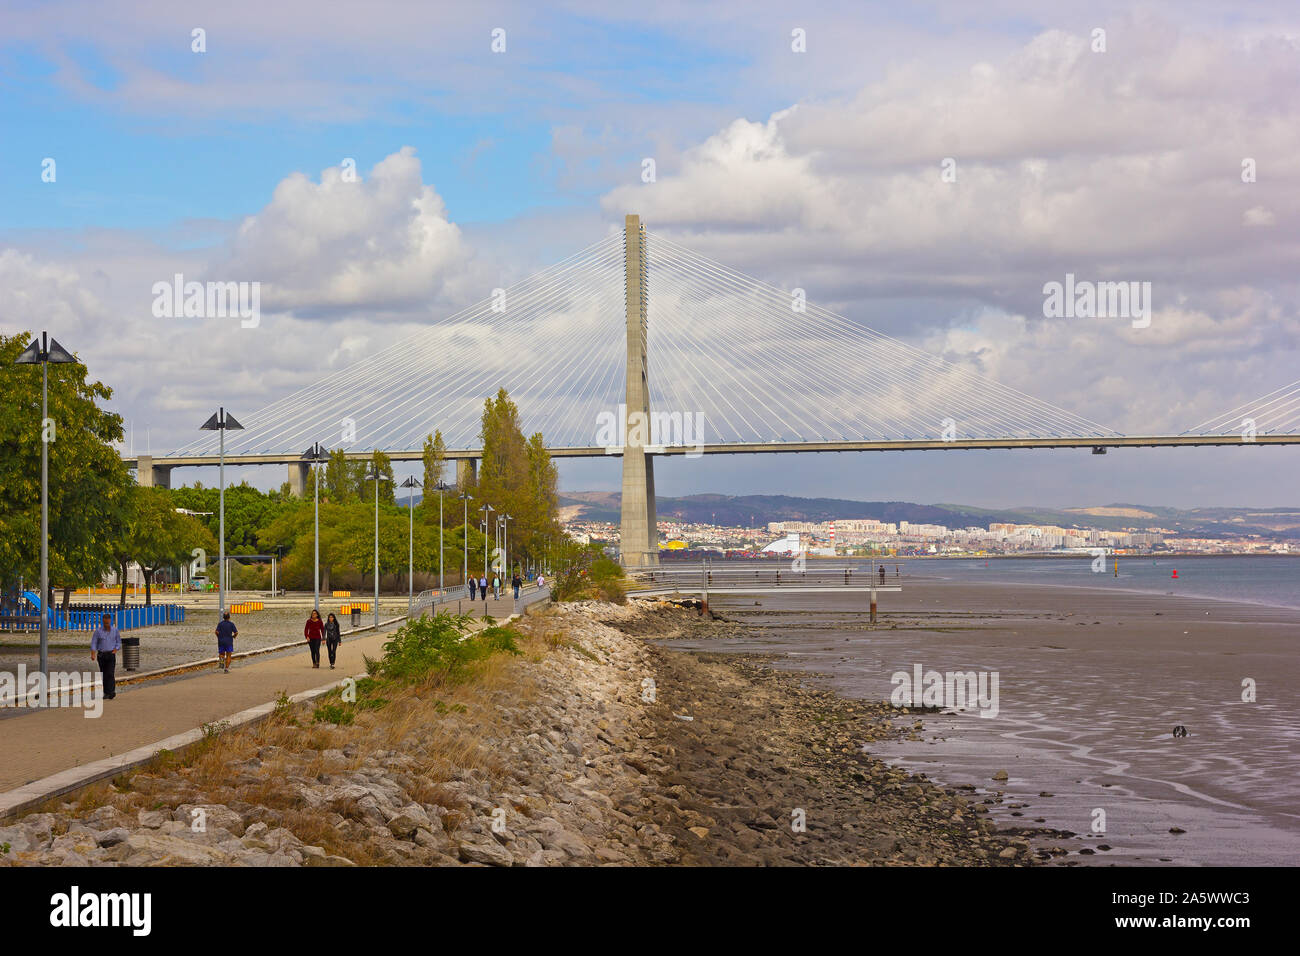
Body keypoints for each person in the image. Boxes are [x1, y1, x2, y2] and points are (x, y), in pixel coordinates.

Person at [90, 613, 121, 699]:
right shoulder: (98, 631)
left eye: (107, 623)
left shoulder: (115, 631)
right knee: (104, 674)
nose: (106, 624)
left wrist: (116, 649)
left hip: (111, 654)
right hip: (102, 655)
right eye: (105, 623)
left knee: (110, 673)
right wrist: (93, 653)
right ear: (102, 622)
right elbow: (94, 643)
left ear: (110, 621)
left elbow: (118, 641)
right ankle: (106, 692)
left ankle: (111, 691)